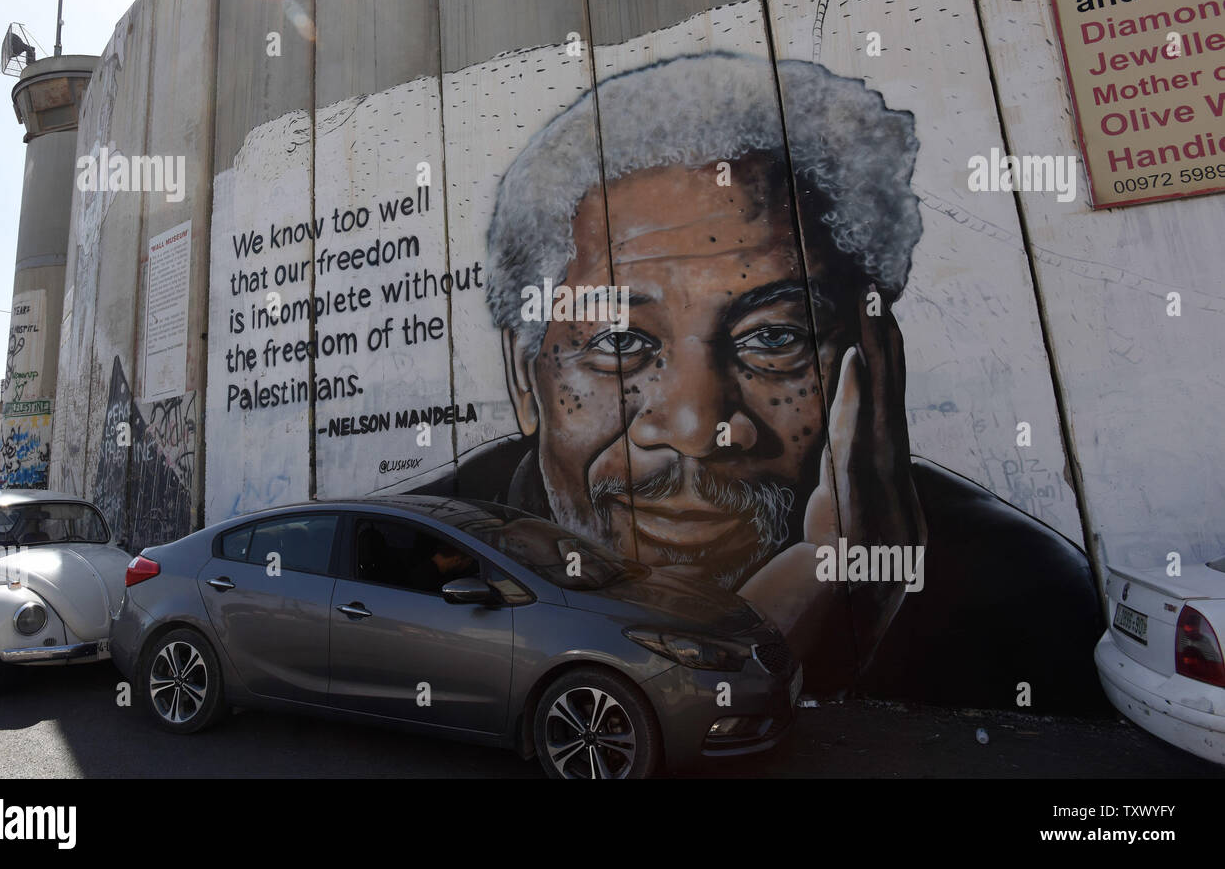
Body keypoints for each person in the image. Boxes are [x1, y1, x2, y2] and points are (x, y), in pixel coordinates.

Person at [418, 52, 1104, 712]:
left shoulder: (1027, 604)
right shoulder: (409, 568)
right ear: (523, 375)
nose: (695, 427)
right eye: (619, 342)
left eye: (775, 338)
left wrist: (855, 618)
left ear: (875, 361)